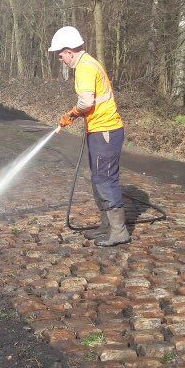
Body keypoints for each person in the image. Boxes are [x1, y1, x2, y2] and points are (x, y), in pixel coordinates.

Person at [49, 26, 130, 247]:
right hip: (101, 130)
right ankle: (106, 226)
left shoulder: (84, 68)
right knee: (98, 178)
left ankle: (119, 231)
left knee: (105, 180)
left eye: (60, 53)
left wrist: (71, 114)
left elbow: (86, 103)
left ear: (70, 51)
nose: (60, 57)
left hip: (106, 131)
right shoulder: (88, 64)